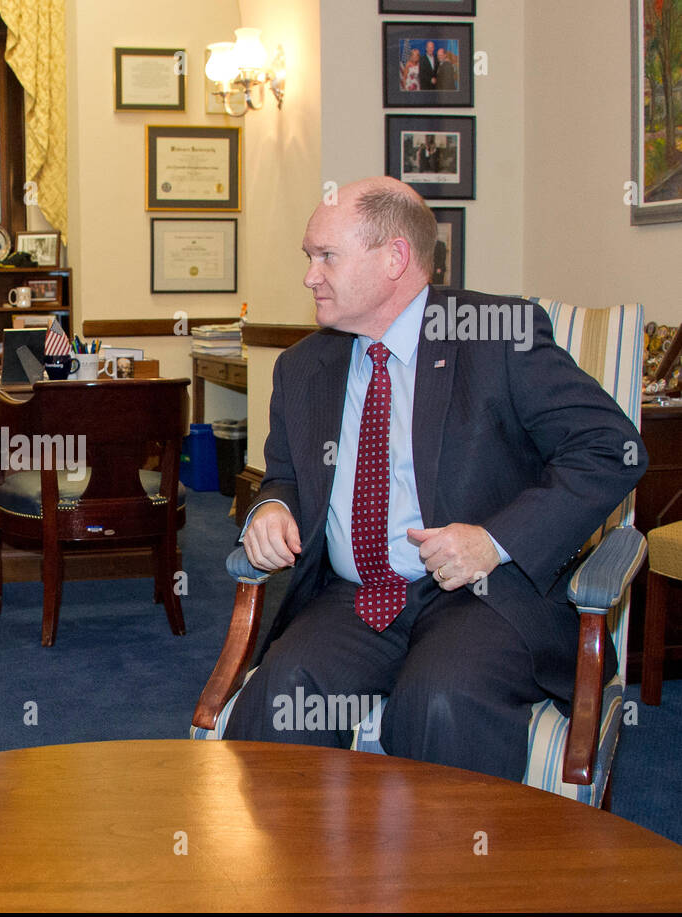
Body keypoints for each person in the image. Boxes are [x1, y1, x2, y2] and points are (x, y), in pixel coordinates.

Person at [224, 176, 645, 782]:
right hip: (354, 597)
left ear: (394, 258)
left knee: (439, 700)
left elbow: (614, 449)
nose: (310, 276)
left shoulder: (498, 335)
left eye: (327, 257)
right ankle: (290, 874)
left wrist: (494, 540)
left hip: (482, 596)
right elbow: (284, 475)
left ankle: (449, 875)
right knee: (282, 697)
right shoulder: (304, 367)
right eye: (308, 257)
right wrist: (270, 507)